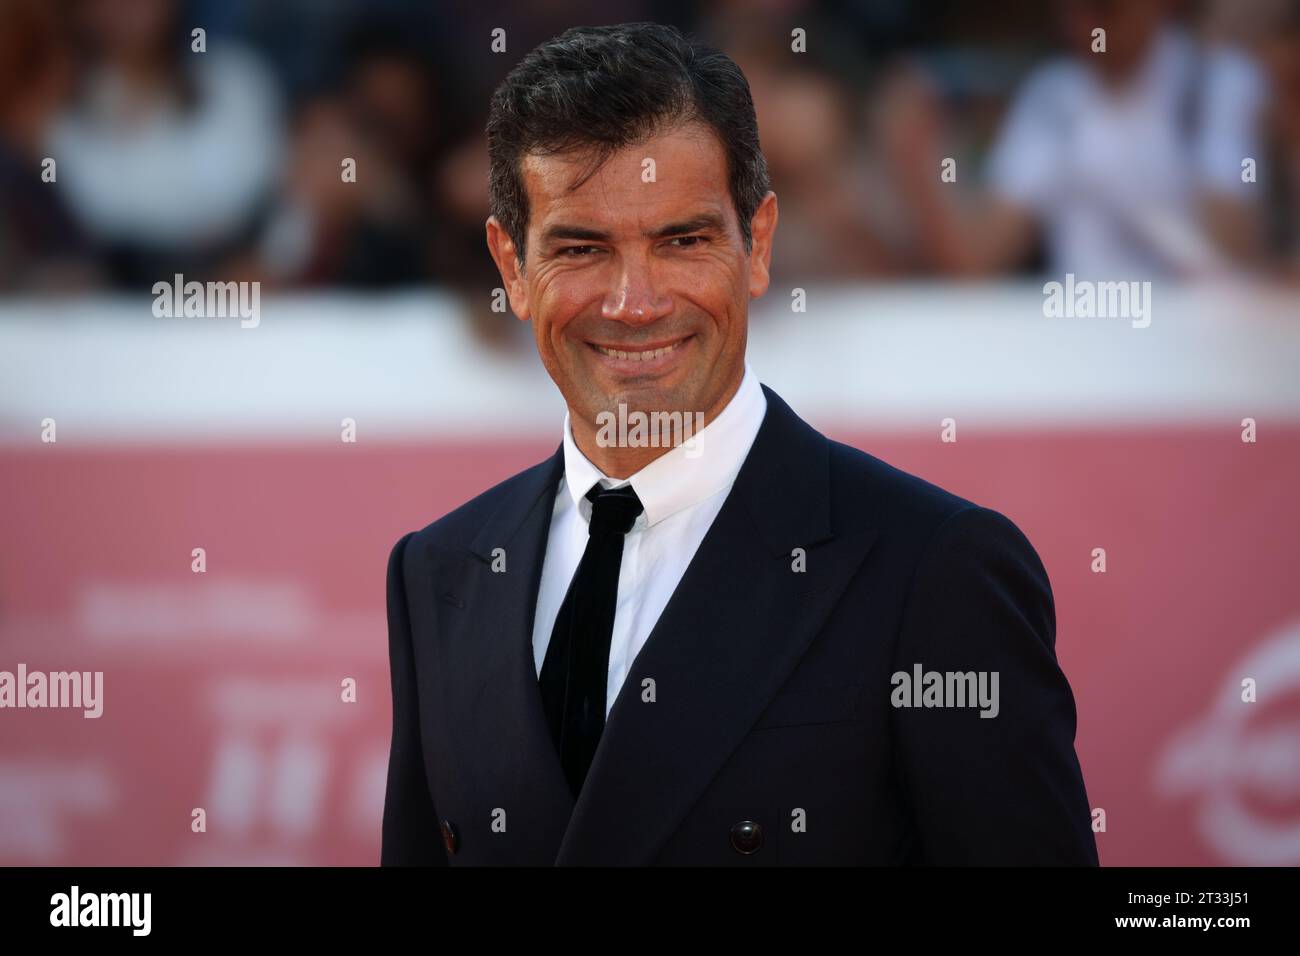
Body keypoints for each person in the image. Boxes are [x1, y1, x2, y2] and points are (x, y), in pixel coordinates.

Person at [381, 22, 1098, 866]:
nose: (636, 302)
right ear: (511, 266)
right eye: (581, 248)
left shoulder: (932, 570)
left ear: (757, 244)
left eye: (683, 241)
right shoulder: (440, 574)